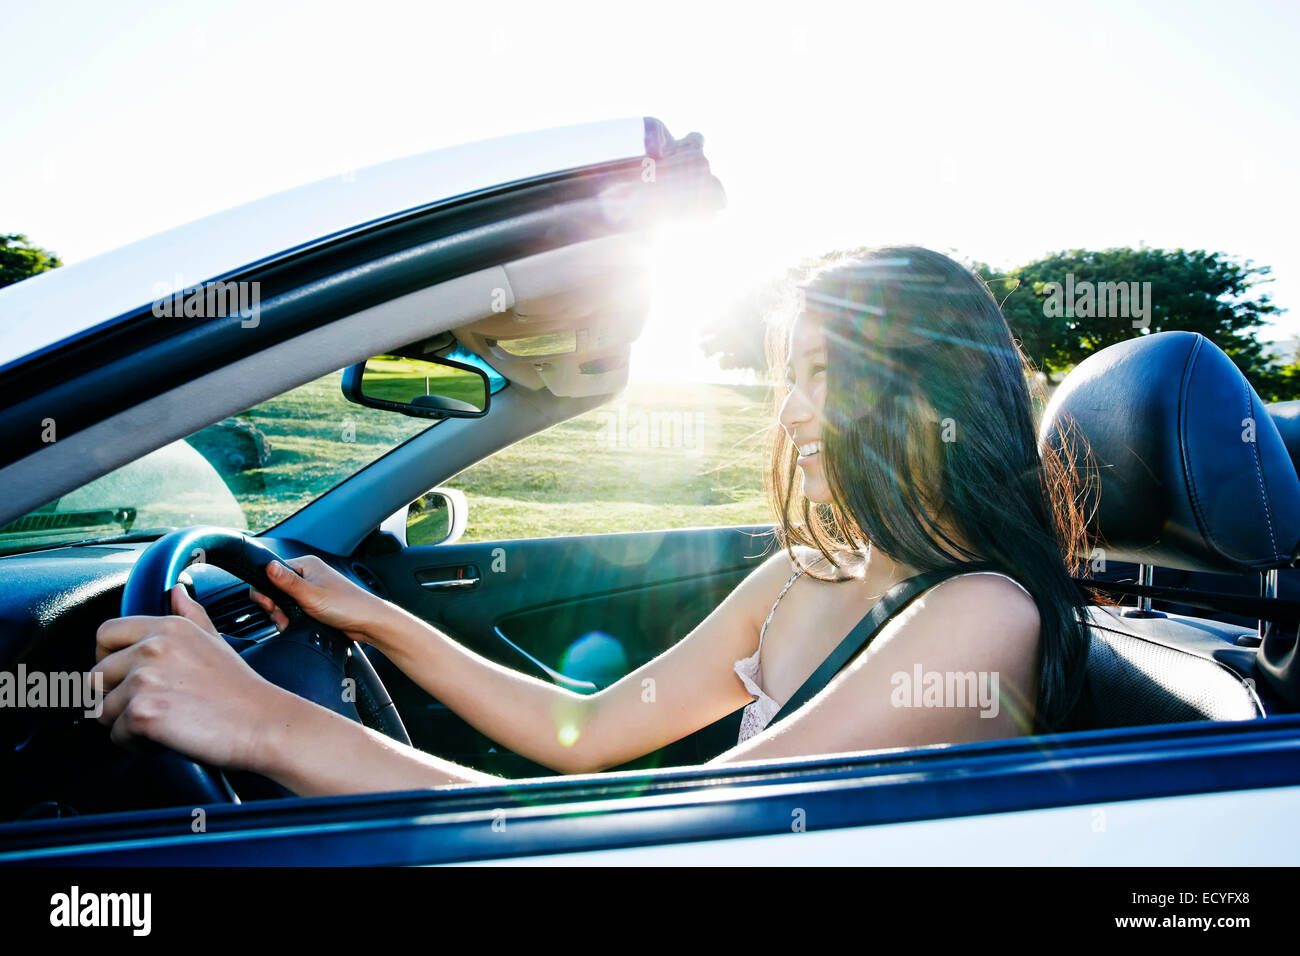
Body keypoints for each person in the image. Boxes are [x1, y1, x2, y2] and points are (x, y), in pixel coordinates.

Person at [92, 246, 1092, 796]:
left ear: (924, 391)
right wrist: (379, 619)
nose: (789, 412)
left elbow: (698, 829)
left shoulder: (982, 615)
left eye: (822, 376)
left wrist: (264, 719)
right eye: (789, 376)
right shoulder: (798, 577)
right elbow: (585, 733)